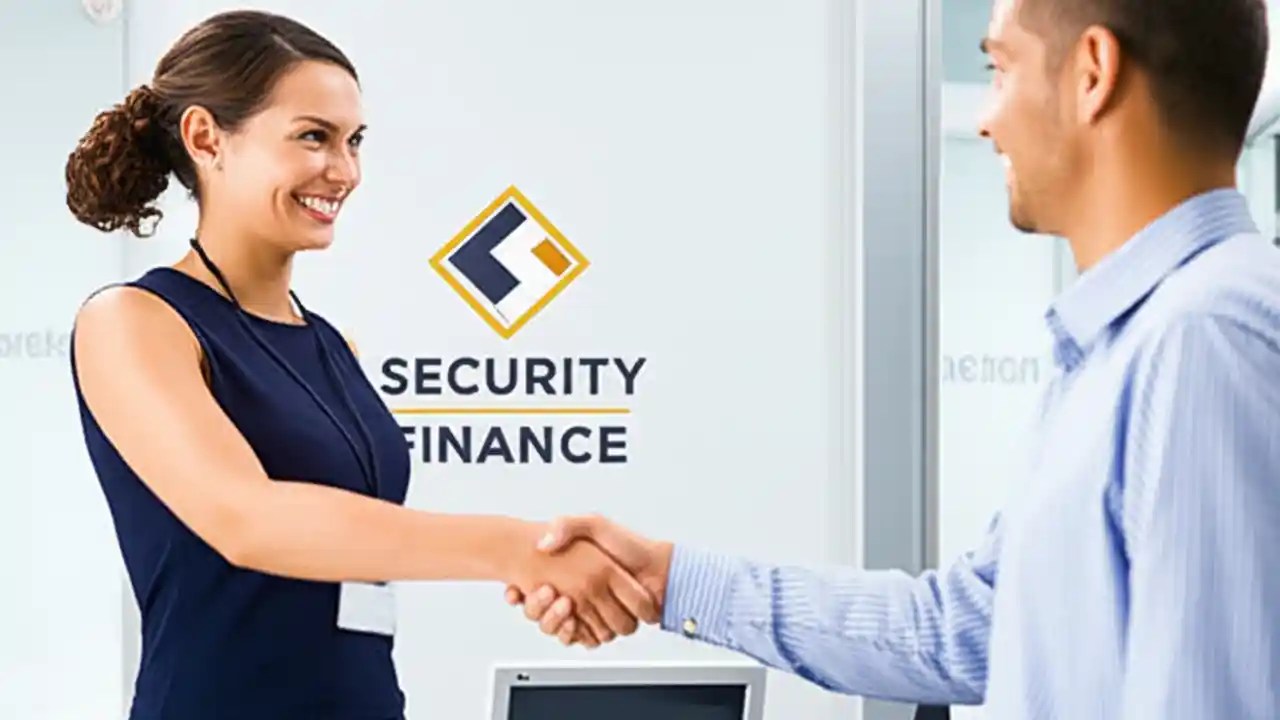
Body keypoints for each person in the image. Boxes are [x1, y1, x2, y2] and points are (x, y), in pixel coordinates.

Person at [509, 0, 1280, 718]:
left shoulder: (1208, 336)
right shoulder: (1122, 346)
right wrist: (668, 577)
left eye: (999, 70)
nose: (988, 120)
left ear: (1091, 74)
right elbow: (965, 630)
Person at [65, 10, 656, 720]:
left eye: (354, 142)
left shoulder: (331, 346)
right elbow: (248, 519)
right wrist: (518, 548)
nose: (343, 171)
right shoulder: (134, 321)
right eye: (313, 137)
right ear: (205, 138)